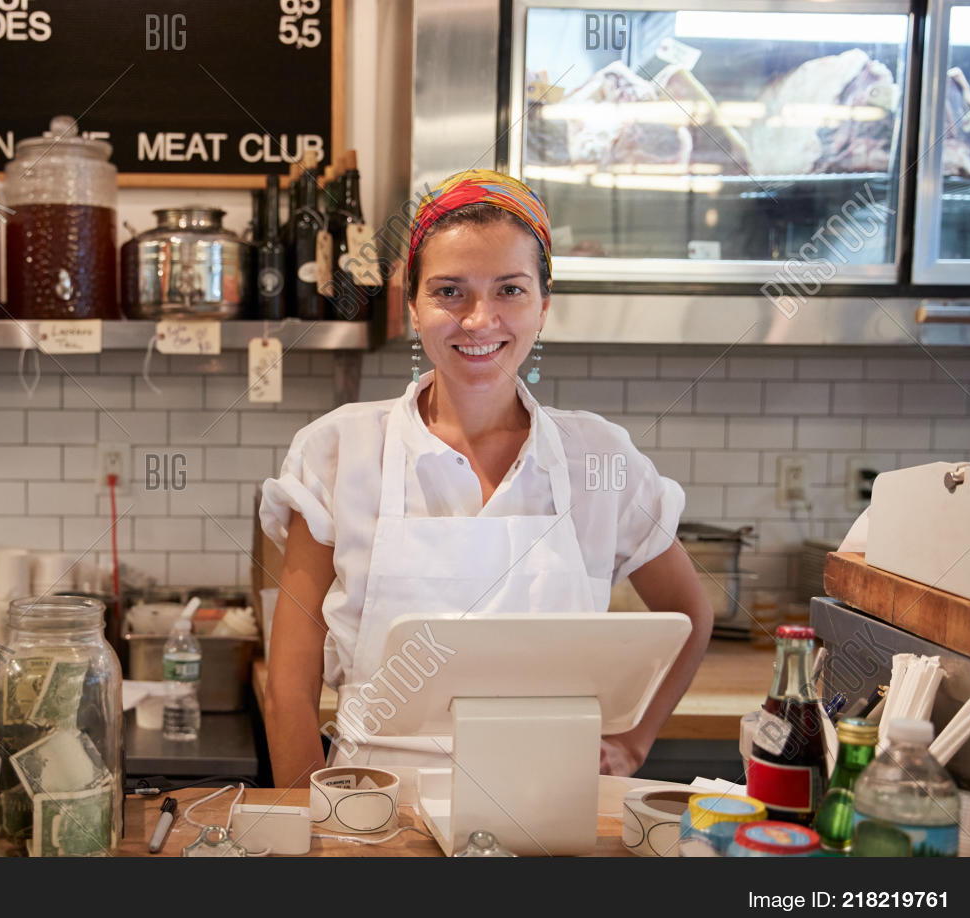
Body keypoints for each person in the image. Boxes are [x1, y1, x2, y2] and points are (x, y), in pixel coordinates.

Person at [259, 169, 713, 789]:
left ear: (543, 306)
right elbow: (289, 686)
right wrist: (315, 832)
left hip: (553, 815)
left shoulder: (599, 460)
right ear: (411, 304)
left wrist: (633, 742)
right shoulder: (339, 452)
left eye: (510, 290)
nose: (479, 320)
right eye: (449, 291)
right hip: (378, 816)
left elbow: (690, 612)